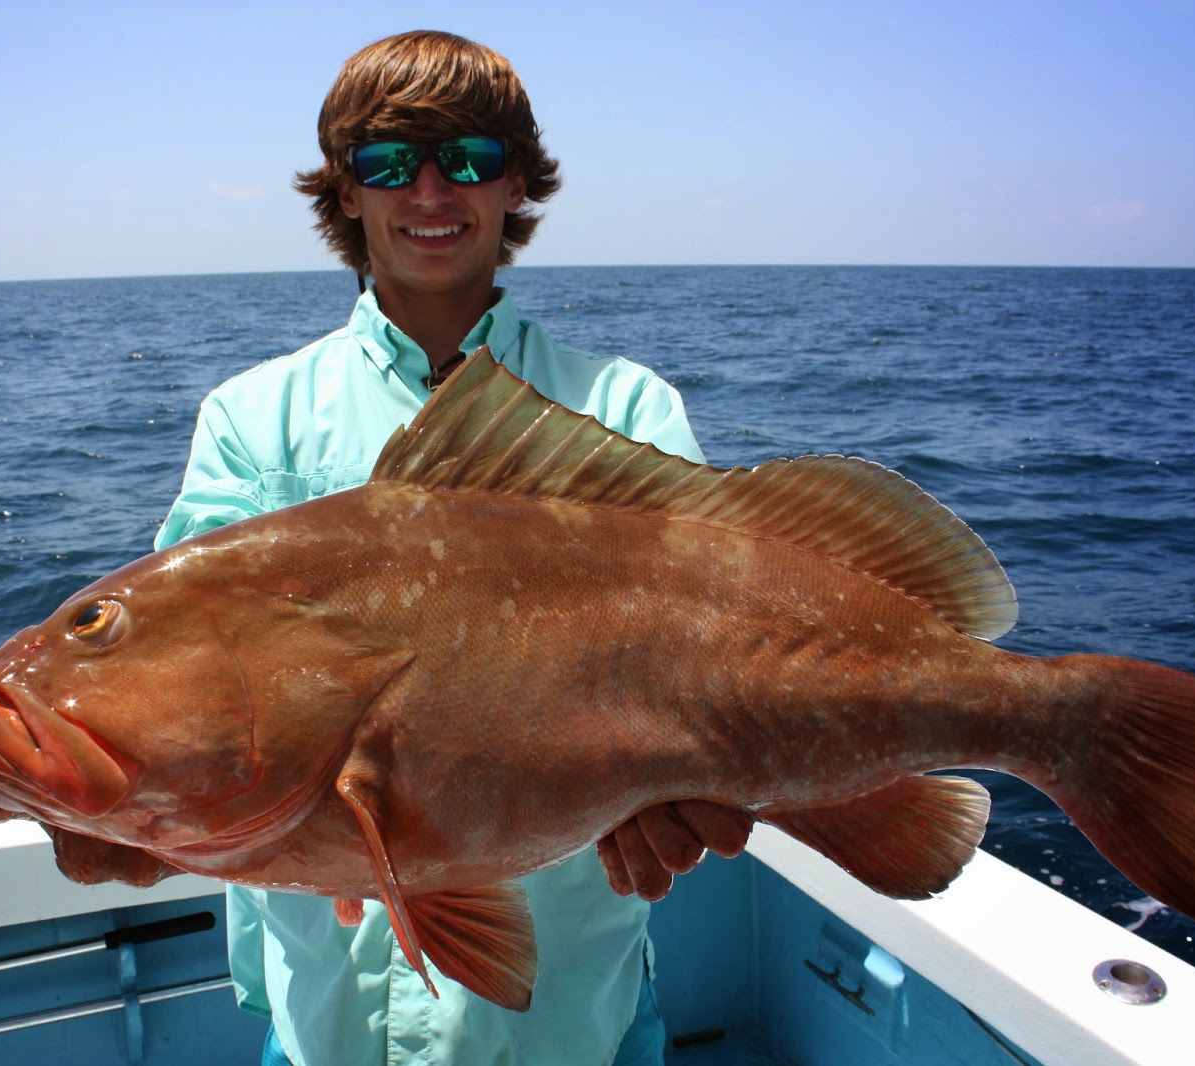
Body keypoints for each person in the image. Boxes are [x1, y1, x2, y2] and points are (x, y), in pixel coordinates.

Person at [152, 30, 751, 1065]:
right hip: (324, 1021)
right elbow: (185, 682)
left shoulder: (627, 407)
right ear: (345, 191)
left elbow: (714, 659)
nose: (430, 190)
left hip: (566, 1020)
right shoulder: (251, 419)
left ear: (517, 181)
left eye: (468, 158)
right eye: (388, 162)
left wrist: (687, 788)